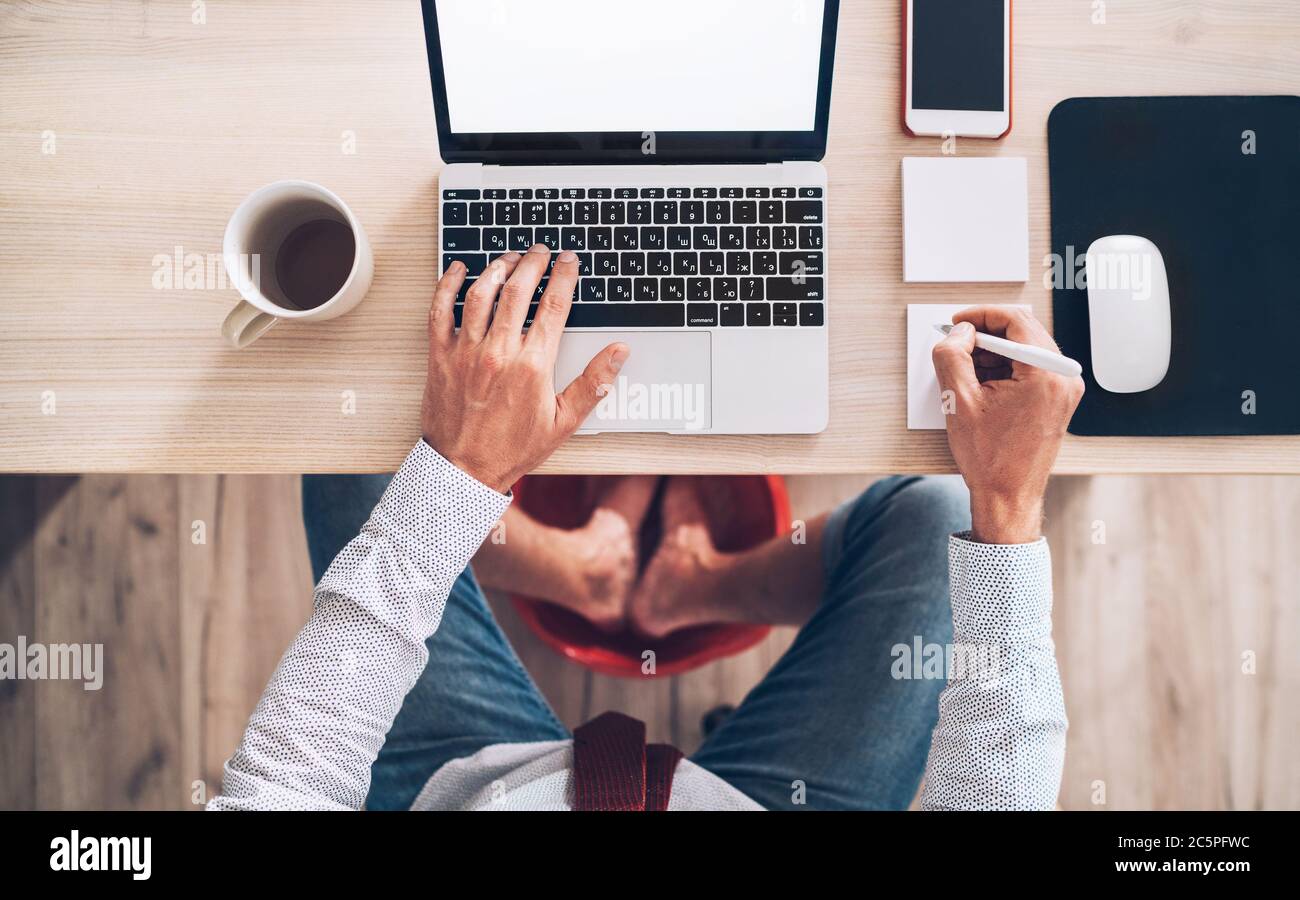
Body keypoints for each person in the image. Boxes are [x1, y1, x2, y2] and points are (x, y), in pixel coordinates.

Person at [209, 245, 1083, 811]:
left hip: (469, 788)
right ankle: (682, 581)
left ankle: (595, 570)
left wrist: (464, 475)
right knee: (939, 522)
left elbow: (282, 788)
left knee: (355, 452)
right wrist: (1005, 511)